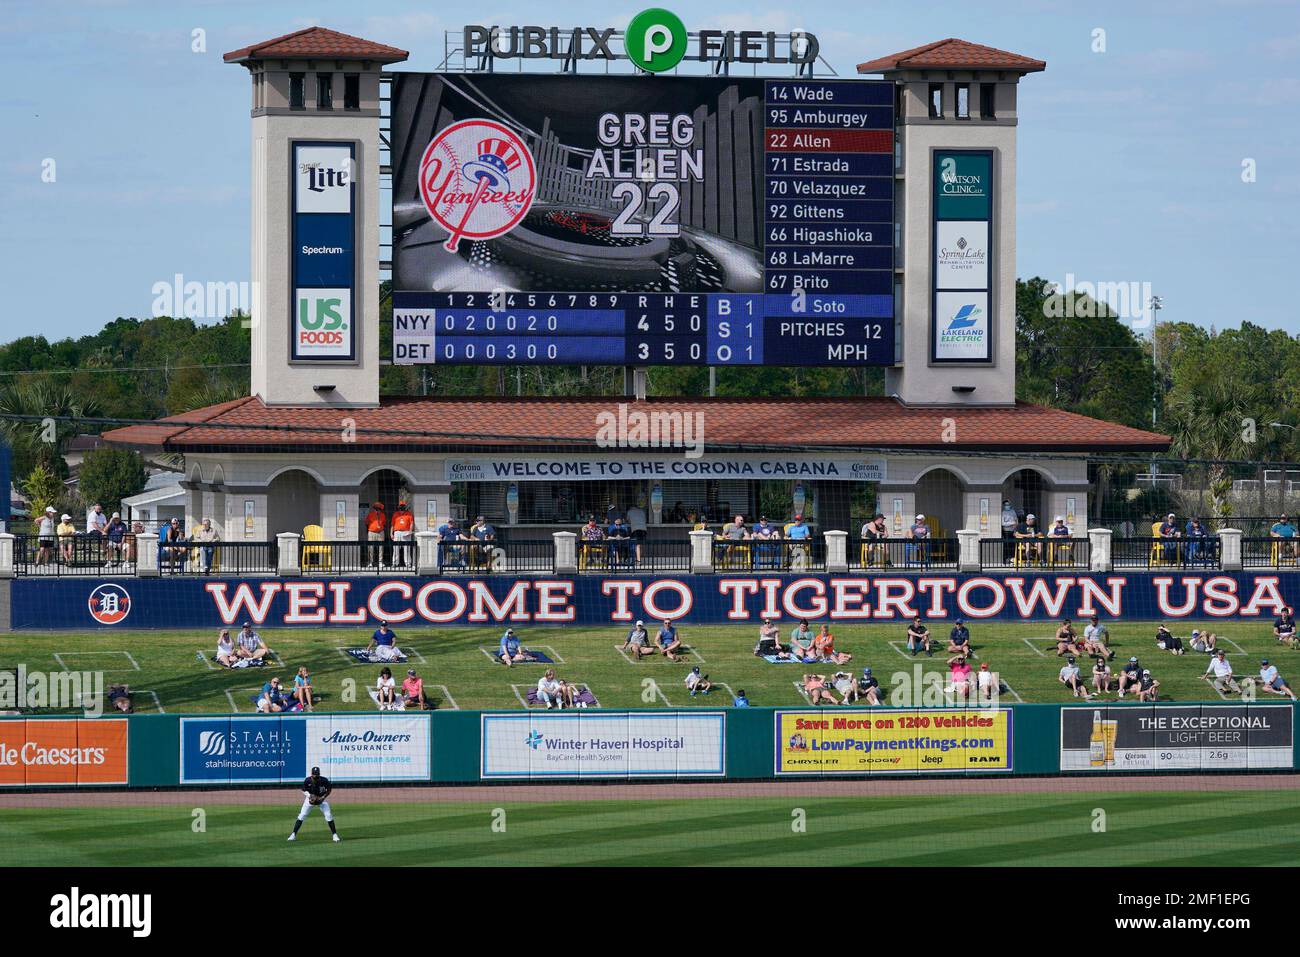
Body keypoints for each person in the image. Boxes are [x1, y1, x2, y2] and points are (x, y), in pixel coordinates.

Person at [288, 766, 340, 843]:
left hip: (321, 800)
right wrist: (310, 796)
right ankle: (293, 834)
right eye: (314, 774)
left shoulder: (324, 780)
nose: (315, 775)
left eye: (317, 774)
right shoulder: (307, 780)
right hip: (309, 800)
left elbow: (329, 790)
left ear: (319, 774)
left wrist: (323, 797)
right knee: (302, 815)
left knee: (328, 815)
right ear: (311, 774)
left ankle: (335, 835)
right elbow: (303, 789)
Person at [390, 500, 415, 567]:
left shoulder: (409, 514)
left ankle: (408, 563)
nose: (401, 507)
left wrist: (410, 531)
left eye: (403, 506)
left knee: (407, 549)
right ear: (398, 507)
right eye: (400, 506)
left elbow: (411, 523)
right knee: (396, 548)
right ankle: (395, 563)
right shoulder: (395, 514)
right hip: (397, 532)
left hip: (406, 532)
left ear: (405, 507)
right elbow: (392, 524)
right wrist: (391, 533)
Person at [364, 501, 387, 568]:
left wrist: (381, 530)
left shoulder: (383, 515)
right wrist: (369, 531)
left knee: (381, 548)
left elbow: (384, 524)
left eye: (379, 509)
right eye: (377, 509)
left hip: (380, 533)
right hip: (372, 532)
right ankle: (370, 562)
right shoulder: (370, 514)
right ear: (374, 509)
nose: (378, 510)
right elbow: (366, 523)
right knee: (370, 548)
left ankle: (380, 562)